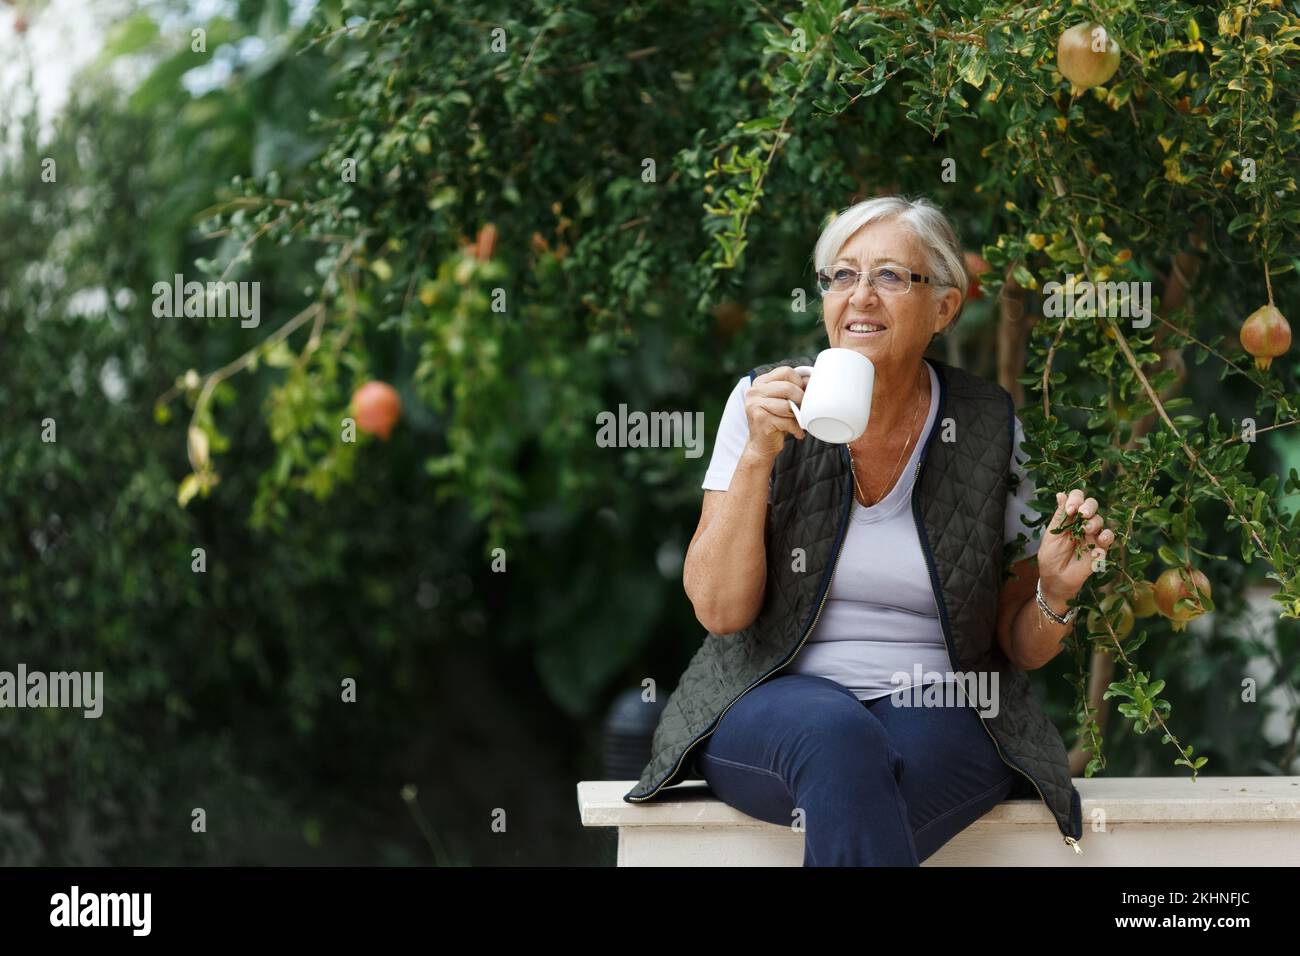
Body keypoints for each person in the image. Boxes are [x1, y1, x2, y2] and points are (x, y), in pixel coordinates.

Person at [623, 195, 1116, 866]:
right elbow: (719, 609)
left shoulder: (986, 428)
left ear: (943, 306)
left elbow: (1020, 647)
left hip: (942, 701)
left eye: (889, 276)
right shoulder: (763, 405)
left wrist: (1055, 592)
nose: (860, 297)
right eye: (841, 276)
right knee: (839, 738)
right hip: (774, 697)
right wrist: (758, 457)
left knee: (882, 775)